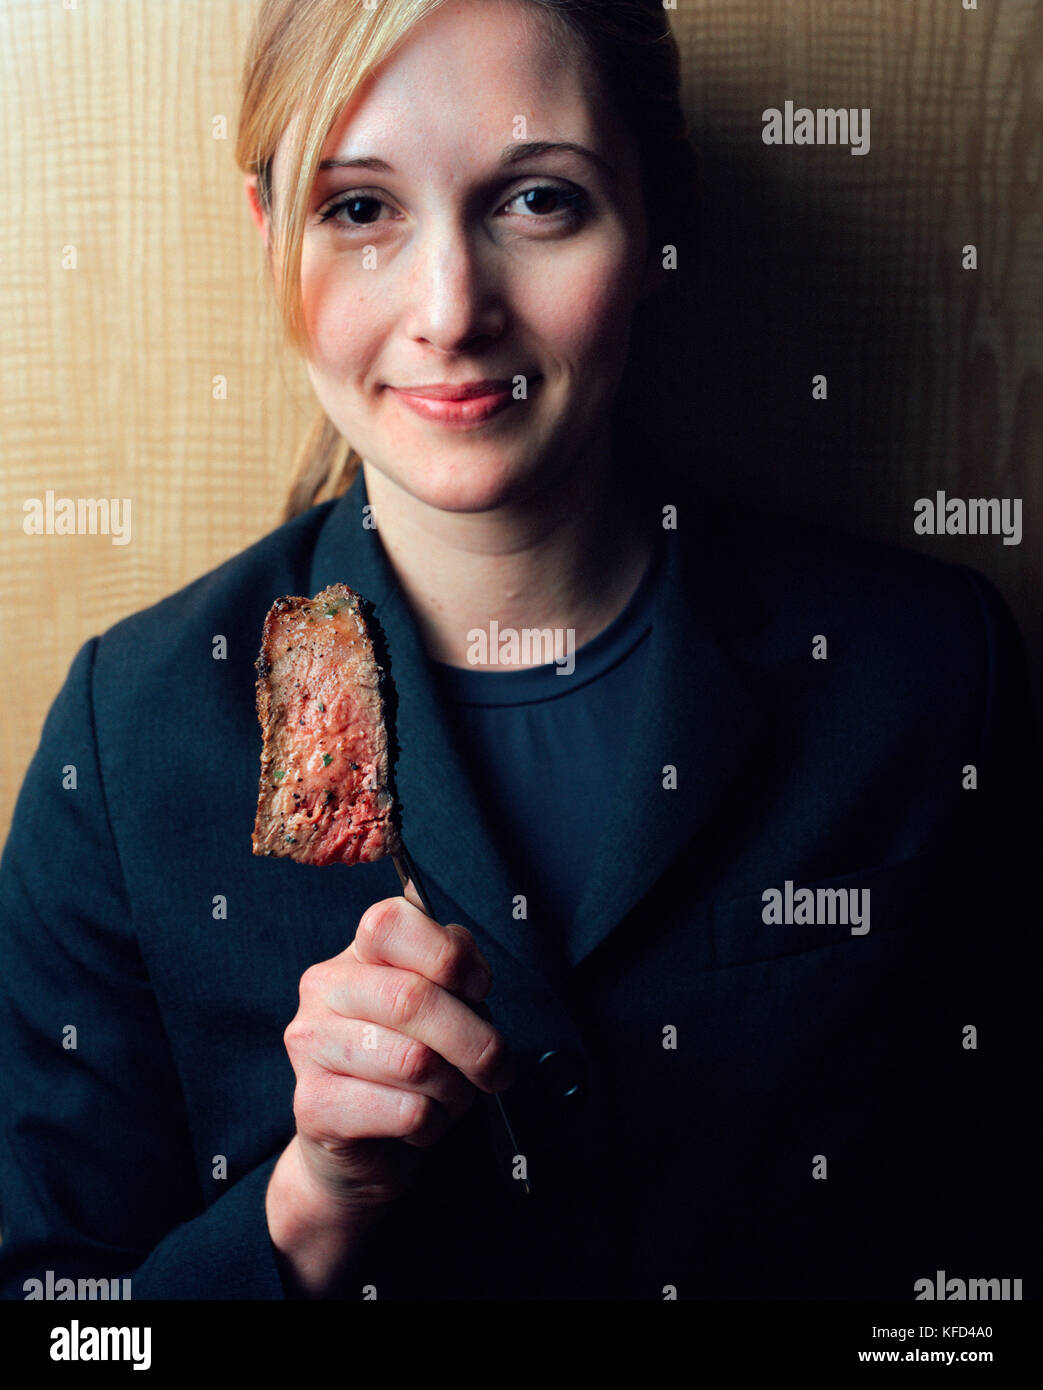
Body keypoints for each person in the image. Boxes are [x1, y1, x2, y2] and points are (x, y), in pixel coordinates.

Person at [0, 0, 1037, 1302]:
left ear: (659, 220)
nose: (449, 310)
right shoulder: (128, 736)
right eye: (360, 209)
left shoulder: (928, 680)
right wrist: (305, 1211)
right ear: (271, 233)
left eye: (540, 199)